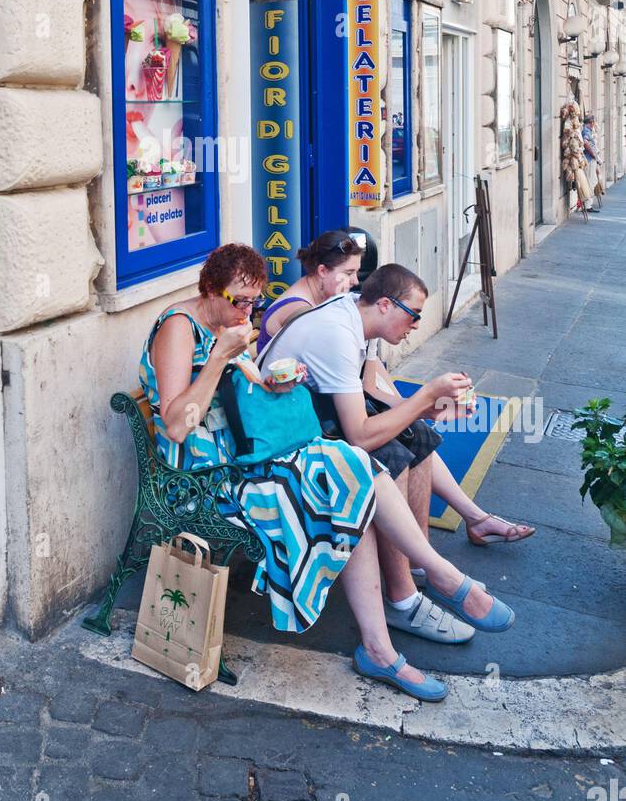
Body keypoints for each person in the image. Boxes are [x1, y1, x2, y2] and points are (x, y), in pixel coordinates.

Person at [140, 243, 515, 703]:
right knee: (341, 477)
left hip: (246, 452)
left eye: (254, 301)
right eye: (238, 299)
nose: (247, 309)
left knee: (350, 471)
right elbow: (177, 426)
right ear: (208, 287)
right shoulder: (179, 328)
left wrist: (277, 380)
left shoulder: (228, 323)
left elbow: (246, 395)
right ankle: (430, 591)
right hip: (204, 473)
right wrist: (220, 357)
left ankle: (399, 622)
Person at [262, 263, 535, 641]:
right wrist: (425, 395)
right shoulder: (339, 333)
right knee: (390, 457)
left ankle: (416, 564)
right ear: (386, 305)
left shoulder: (361, 319)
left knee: (417, 437)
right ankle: (402, 598)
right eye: (414, 315)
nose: (417, 325)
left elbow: (378, 397)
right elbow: (359, 435)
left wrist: (431, 408)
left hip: (315, 415)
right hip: (283, 436)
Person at [255, 231, 365, 356]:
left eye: (356, 272)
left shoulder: (316, 295)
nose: (355, 281)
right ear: (322, 271)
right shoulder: (300, 310)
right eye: (348, 273)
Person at [583, 113, 601, 211]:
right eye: (594, 122)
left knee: (593, 180)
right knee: (590, 181)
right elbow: (585, 143)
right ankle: (587, 205)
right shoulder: (586, 130)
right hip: (589, 159)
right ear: (591, 122)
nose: (594, 124)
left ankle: (588, 204)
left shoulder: (588, 130)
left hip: (591, 159)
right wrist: (593, 154)